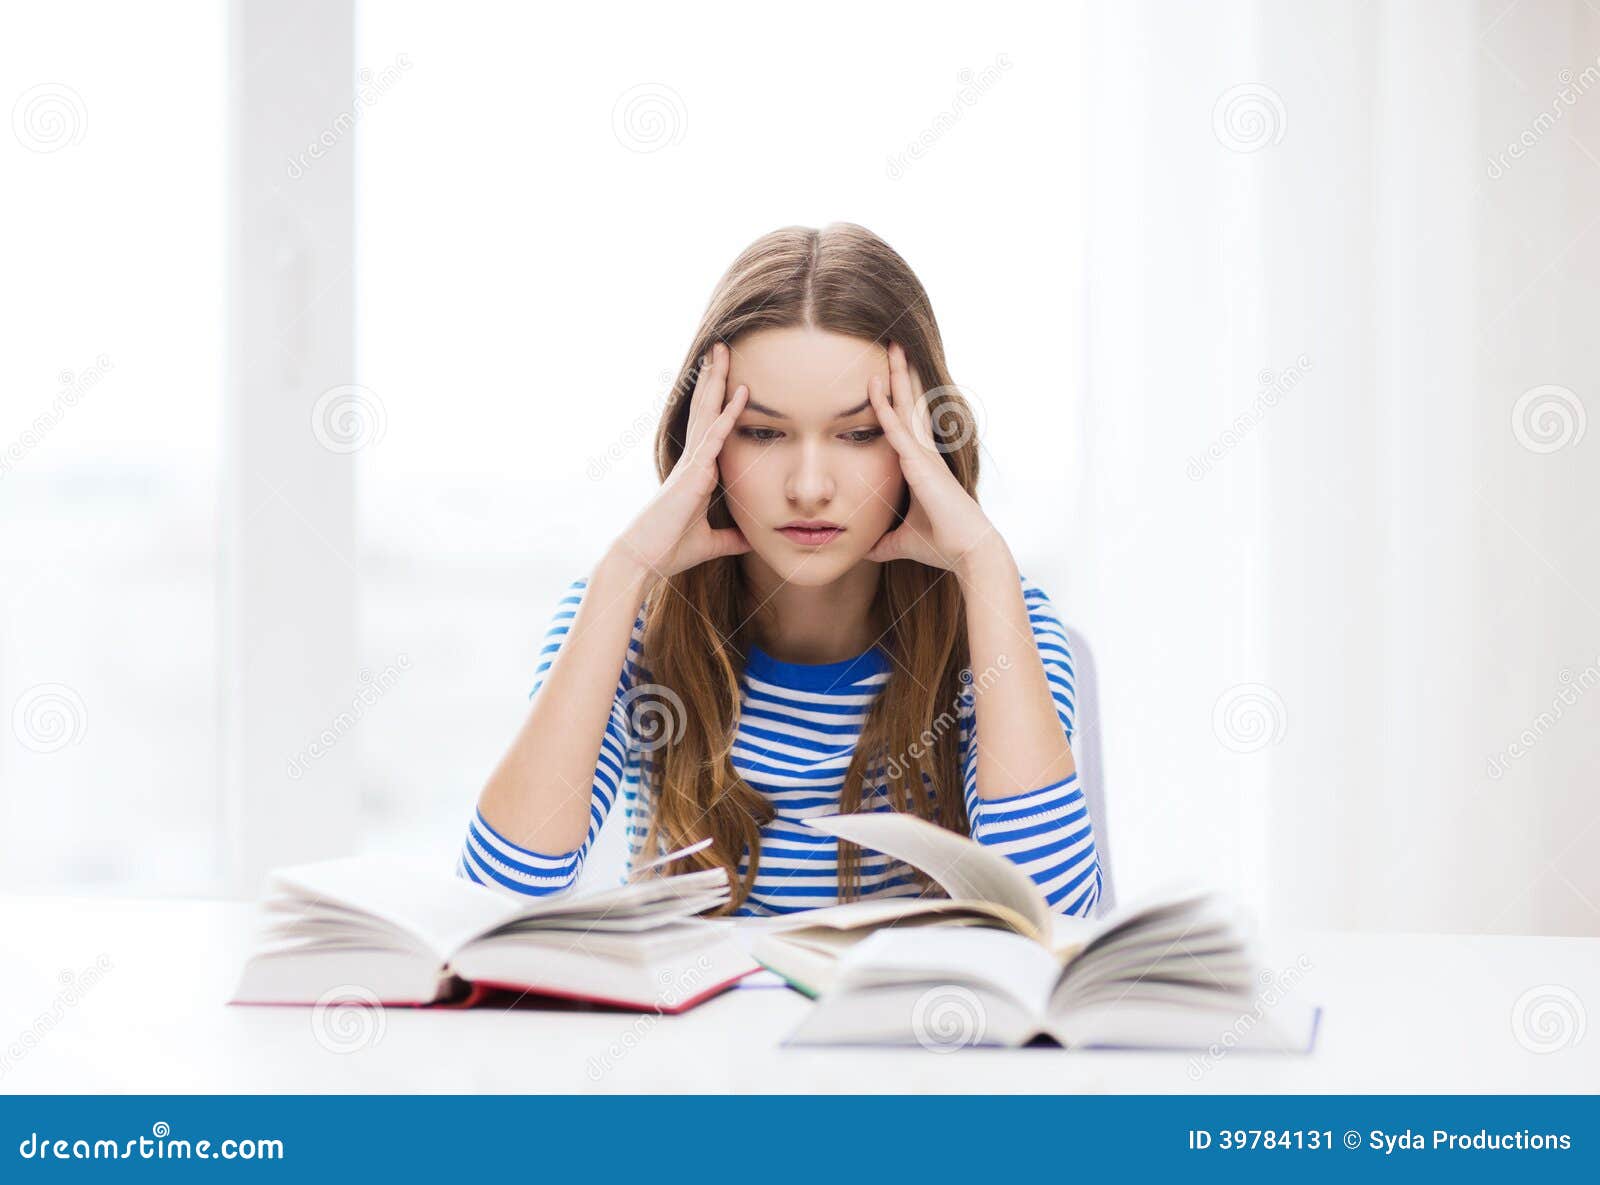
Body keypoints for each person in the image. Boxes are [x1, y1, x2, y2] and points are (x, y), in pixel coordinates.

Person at [458, 222, 1102, 918]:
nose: (808, 486)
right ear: (703, 442)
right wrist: (624, 571)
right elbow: (493, 906)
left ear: (923, 443)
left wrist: (983, 562)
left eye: (860, 434)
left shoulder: (1004, 624)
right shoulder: (629, 615)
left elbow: (1056, 921)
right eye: (762, 433)